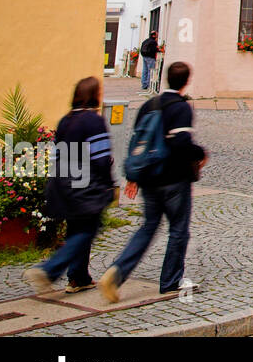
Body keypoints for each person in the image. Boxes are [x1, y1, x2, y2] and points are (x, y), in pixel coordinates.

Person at [98, 61, 207, 302]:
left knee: (147, 227)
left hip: (149, 179)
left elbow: (137, 143)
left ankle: (116, 273)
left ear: (167, 78)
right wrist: (200, 154)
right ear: (186, 81)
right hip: (174, 180)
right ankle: (170, 281)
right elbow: (181, 144)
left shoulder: (149, 105)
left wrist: (132, 176)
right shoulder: (181, 108)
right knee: (178, 230)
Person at [23, 77, 118, 295]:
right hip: (85, 183)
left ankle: (78, 278)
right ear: (95, 96)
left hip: (62, 181)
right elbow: (102, 157)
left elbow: (58, 152)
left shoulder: (66, 121)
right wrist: (108, 185)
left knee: (77, 228)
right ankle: (48, 270)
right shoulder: (94, 121)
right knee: (87, 230)